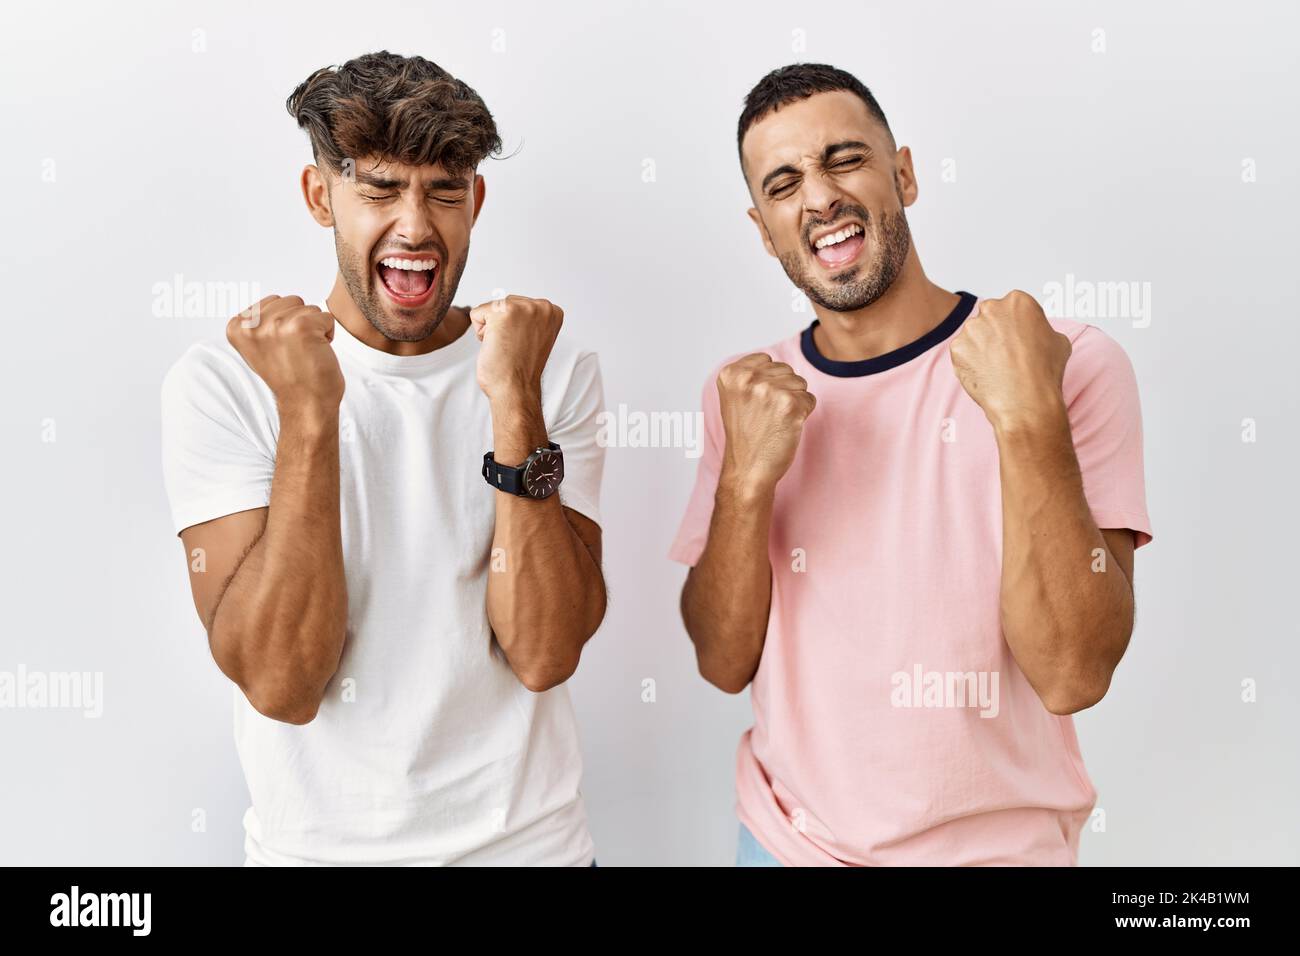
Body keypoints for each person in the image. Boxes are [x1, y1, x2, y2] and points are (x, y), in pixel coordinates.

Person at [670, 63, 1153, 866]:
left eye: (844, 158)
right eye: (785, 182)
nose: (819, 197)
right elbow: (723, 664)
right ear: (763, 229)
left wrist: (1027, 419)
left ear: (904, 174)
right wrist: (745, 481)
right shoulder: (745, 392)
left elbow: (1073, 673)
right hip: (786, 847)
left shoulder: (1065, 362)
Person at [161, 51, 607, 866]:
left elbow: (544, 653)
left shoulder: (547, 365)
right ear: (319, 195)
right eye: (378, 189)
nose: (415, 226)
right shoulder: (226, 382)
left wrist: (514, 401)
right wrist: (308, 414)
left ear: (475, 200)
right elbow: (283, 686)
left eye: (443, 191)